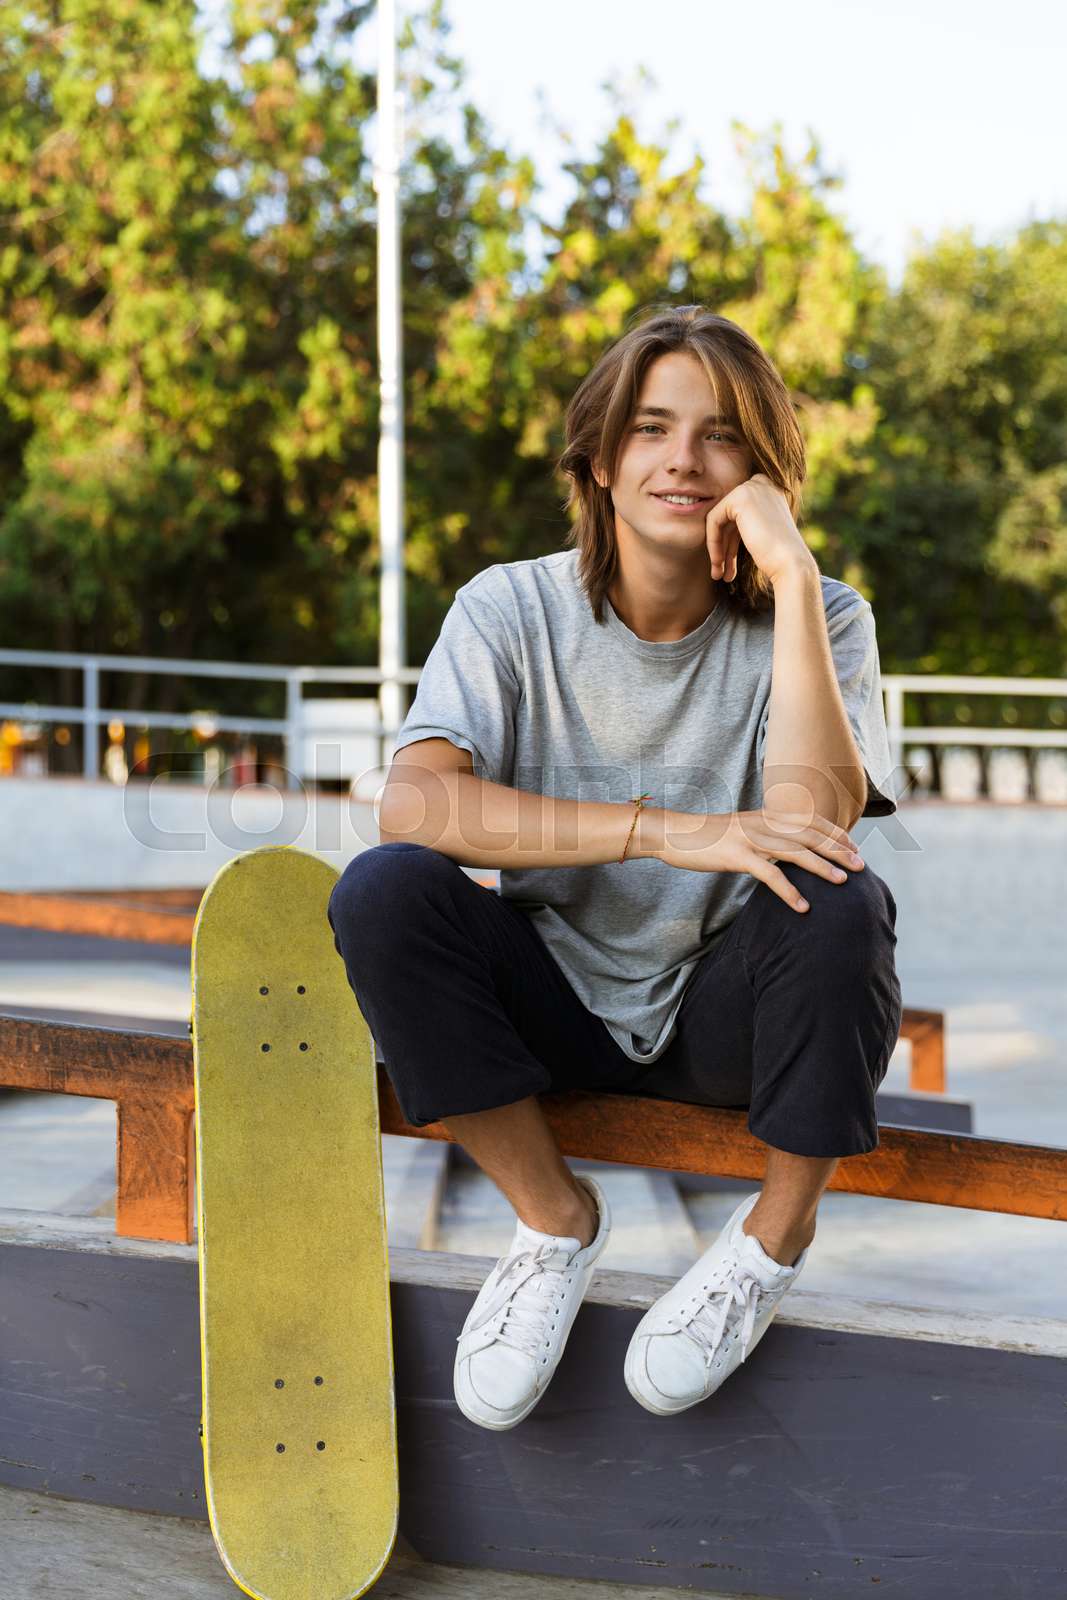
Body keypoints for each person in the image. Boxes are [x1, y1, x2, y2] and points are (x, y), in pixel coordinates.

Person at [328, 303, 902, 1431]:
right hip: (553, 1001)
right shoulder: (509, 606)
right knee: (384, 890)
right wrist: (666, 829)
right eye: (650, 427)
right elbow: (415, 799)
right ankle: (551, 1222)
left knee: (841, 897)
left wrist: (789, 579)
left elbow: (814, 815)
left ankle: (770, 1239)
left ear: (763, 469)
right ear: (600, 458)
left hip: (719, 1019)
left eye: (720, 434)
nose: (683, 459)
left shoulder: (826, 614)